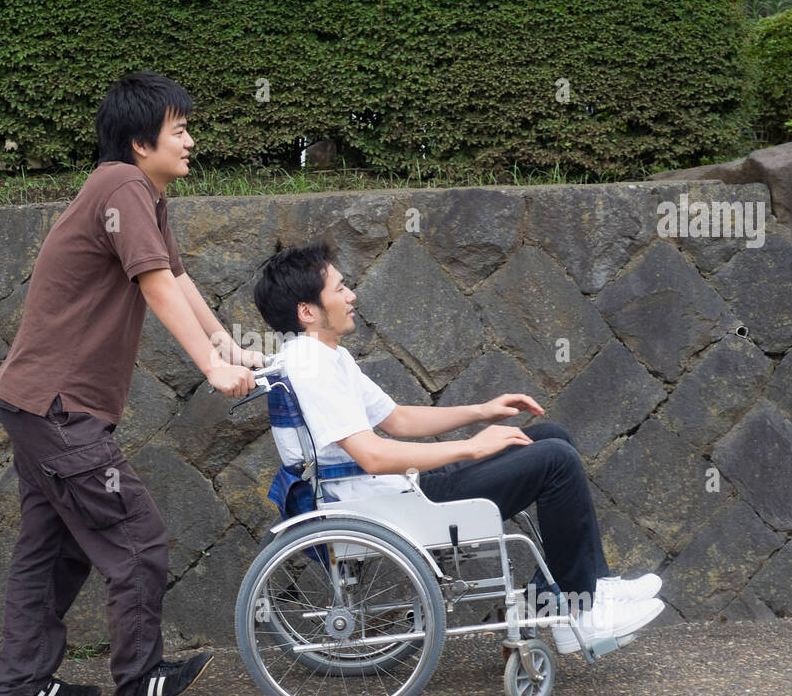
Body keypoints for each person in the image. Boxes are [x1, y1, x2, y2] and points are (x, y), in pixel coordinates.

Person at [0, 72, 261, 696]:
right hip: (58, 411)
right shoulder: (122, 185)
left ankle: (21, 685)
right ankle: (140, 682)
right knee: (137, 537)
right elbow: (154, 285)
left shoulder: (139, 193)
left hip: (34, 405)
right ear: (142, 143)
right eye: (181, 129)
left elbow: (177, 276)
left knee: (53, 550)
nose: (192, 140)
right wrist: (210, 370)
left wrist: (226, 344)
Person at [251, 242, 664, 653]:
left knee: (550, 436)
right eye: (340, 289)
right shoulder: (313, 366)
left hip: (391, 491)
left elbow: (397, 420)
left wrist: (482, 411)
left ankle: (587, 588)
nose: (352, 295)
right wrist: (471, 449)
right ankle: (582, 613)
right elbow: (372, 455)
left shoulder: (323, 357)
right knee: (555, 461)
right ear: (308, 311)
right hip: (386, 505)